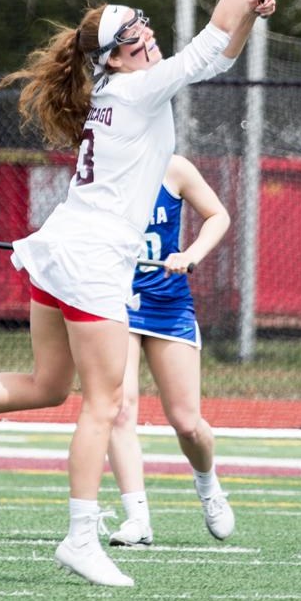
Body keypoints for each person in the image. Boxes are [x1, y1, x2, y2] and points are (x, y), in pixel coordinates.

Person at [0, 0, 278, 588]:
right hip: (92, 259)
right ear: (116, 59)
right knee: (102, 404)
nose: (150, 39)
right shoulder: (136, 88)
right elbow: (212, 43)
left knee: (48, 385)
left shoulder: (117, 88)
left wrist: (248, 14)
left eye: (146, 29)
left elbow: (219, 53)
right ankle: (80, 538)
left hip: (62, 247)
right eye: (138, 38)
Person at [104, 154, 234, 547]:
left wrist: (190, 255)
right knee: (119, 408)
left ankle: (208, 486)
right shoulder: (101, 164)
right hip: (116, 301)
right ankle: (138, 518)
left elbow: (218, 216)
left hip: (168, 306)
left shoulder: (173, 168)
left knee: (187, 423)